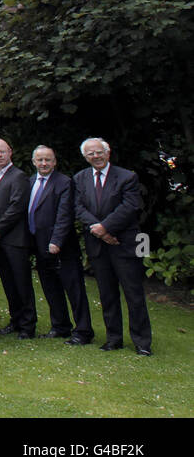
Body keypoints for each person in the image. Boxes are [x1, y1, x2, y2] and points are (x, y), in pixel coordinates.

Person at [74, 138, 151, 355]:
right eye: (90, 154)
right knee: (107, 294)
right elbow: (78, 207)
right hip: (97, 245)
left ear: (108, 153)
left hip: (124, 243)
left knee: (133, 294)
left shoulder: (127, 176)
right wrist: (97, 229)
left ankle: (142, 342)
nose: (95, 157)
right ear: (85, 157)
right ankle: (113, 338)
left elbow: (130, 206)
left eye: (99, 152)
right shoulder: (80, 178)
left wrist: (106, 228)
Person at [27, 145, 93, 345]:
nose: (44, 163)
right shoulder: (30, 182)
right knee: (51, 289)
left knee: (74, 290)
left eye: (48, 160)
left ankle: (83, 331)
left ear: (54, 162)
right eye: (40, 160)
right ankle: (60, 326)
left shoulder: (64, 182)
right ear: (34, 162)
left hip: (61, 247)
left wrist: (56, 241)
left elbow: (65, 215)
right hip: (39, 246)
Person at [0, 138, 34, 338]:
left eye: (2, 152)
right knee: (8, 282)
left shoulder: (19, 176)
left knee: (22, 282)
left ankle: (28, 325)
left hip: (14, 238)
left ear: (10, 152)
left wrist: (0, 227)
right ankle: (16, 320)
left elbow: (17, 206)